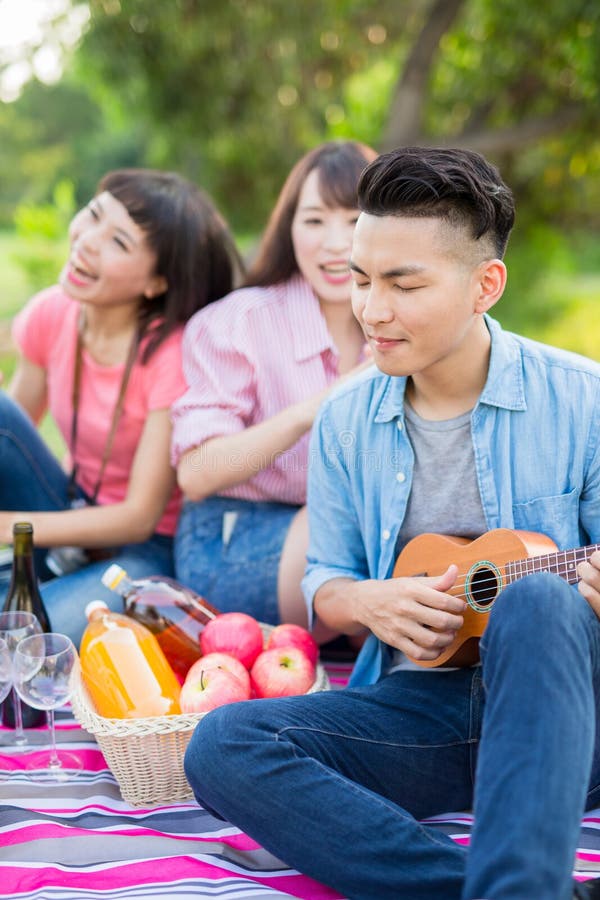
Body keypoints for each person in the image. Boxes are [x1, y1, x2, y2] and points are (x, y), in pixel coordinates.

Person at [183, 147, 600, 900]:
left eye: (404, 285)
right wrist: (368, 602)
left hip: (569, 717)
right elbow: (326, 581)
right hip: (425, 715)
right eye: (361, 279)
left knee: (539, 600)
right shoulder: (346, 418)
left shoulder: (582, 399)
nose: (372, 311)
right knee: (222, 743)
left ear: (485, 285)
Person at [0, 168, 241, 646]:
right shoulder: (52, 312)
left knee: (20, 643)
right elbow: (11, 435)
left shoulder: (171, 356)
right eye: (93, 216)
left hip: (141, 551)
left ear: (156, 283)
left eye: (118, 242)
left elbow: (139, 516)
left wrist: (13, 527)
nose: (88, 242)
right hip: (68, 514)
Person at [171, 140, 376, 632]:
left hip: (361, 534)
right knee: (359, 531)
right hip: (234, 537)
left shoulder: (405, 324)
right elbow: (196, 474)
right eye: (315, 220)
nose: (335, 243)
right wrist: (319, 406)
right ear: (289, 227)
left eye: (355, 220)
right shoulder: (237, 323)